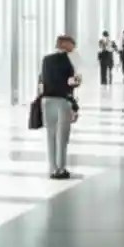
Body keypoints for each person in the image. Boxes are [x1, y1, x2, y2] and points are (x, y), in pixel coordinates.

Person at [39, 35, 80, 179]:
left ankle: (53, 168)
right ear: (63, 44)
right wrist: (77, 81)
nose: (73, 47)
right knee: (62, 137)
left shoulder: (46, 59)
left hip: (47, 99)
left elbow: (42, 80)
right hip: (62, 100)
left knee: (51, 135)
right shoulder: (68, 60)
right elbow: (70, 82)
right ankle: (61, 168)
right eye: (71, 44)